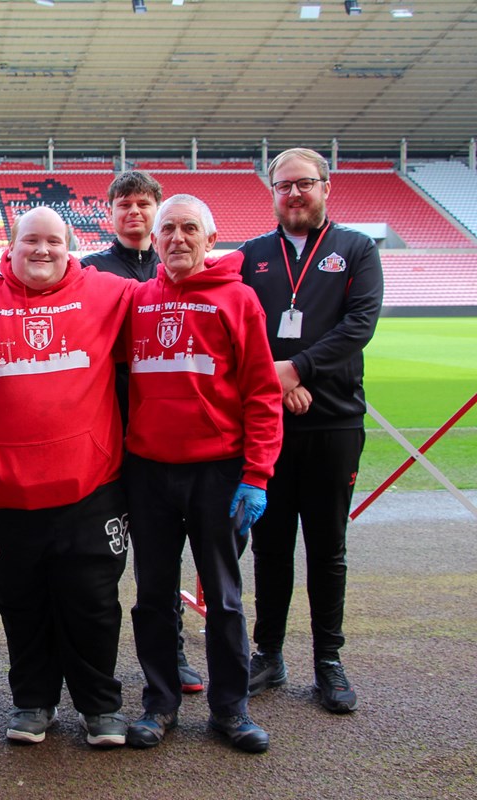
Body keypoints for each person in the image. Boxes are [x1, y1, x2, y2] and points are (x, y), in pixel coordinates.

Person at [0, 206, 134, 749]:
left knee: (93, 602)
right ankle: (33, 702)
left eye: (53, 241)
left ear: (70, 245)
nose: (42, 251)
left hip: (90, 488)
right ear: (11, 245)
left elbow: (183, 306)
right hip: (5, 493)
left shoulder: (111, 293)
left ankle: (101, 706)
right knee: (21, 603)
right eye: (31, 241)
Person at [123, 195, 283, 754]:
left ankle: (229, 710)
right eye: (167, 229)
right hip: (148, 473)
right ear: (154, 239)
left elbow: (263, 394)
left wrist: (257, 475)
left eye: (190, 229)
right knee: (152, 596)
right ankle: (160, 704)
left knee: (224, 597)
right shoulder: (139, 299)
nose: (177, 239)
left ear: (211, 240)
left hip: (218, 472)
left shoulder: (238, 299)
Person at [239, 148, 384, 713]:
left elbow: (360, 323)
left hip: (334, 421)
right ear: (271, 191)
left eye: (304, 184)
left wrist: (297, 370)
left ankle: (328, 659)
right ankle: (268, 653)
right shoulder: (252, 255)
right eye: (283, 185)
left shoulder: (356, 249)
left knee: (328, 547)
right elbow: (242, 326)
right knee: (270, 546)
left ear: (327, 187)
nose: (294, 194)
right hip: (269, 426)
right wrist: (276, 381)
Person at [82, 171, 205, 695]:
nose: (134, 212)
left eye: (143, 204)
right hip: (114, 431)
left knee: (174, 549)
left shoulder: (181, 263)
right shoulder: (89, 270)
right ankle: (96, 662)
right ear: (110, 213)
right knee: (113, 553)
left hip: (176, 434)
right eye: (124, 204)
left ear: (157, 212)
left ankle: (172, 651)